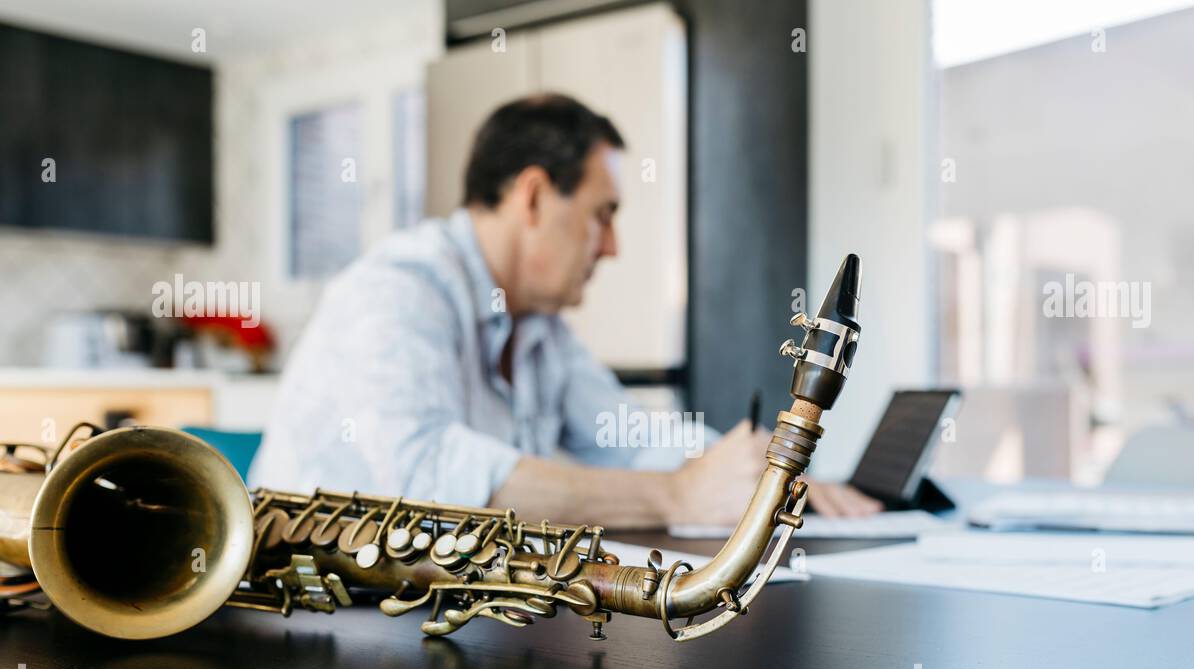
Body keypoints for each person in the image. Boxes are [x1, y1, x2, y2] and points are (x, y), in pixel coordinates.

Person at [248, 94, 879, 528]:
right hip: (295, 623)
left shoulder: (539, 328)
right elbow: (426, 479)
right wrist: (677, 495)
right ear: (533, 197)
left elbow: (629, 438)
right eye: (602, 215)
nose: (612, 246)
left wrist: (752, 470)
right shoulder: (397, 287)